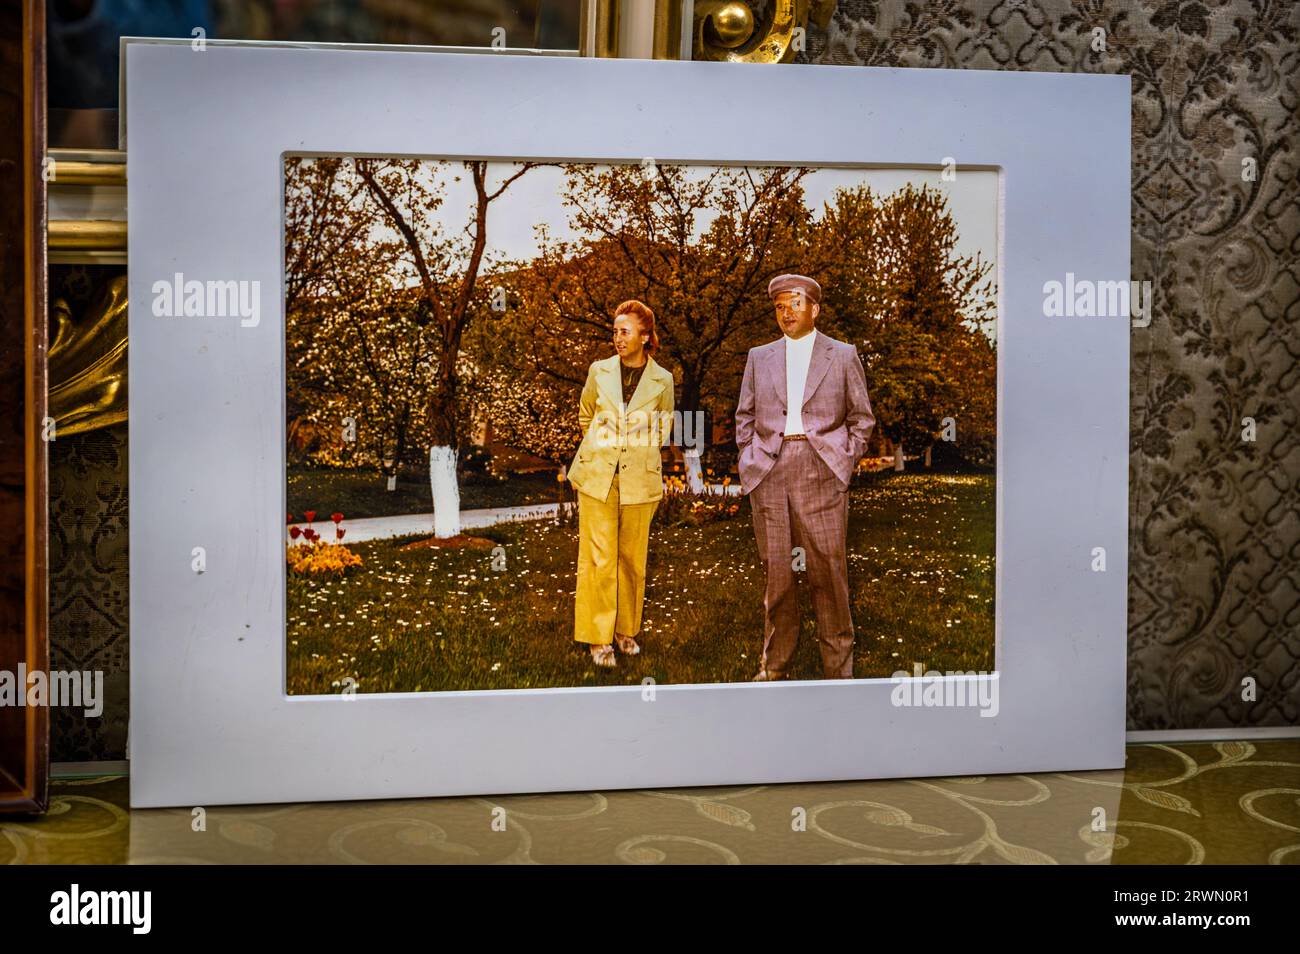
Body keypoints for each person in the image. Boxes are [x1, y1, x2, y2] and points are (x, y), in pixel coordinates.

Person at [734, 274, 875, 680]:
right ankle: (775, 663)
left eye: (795, 303)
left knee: (828, 572)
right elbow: (744, 416)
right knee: (778, 573)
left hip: (821, 469)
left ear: (814, 308)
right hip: (770, 471)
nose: (787, 312)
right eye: (779, 306)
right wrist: (750, 457)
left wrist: (843, 460)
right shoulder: (759, 357)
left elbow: (861, 419)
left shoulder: (842, 355)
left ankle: (838, 667)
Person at [567, 300, 675, 667]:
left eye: (625, 331)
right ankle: (599, 639)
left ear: (645, 336)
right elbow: (586, 414)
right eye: (615, 331)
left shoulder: (663, 380)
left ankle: (625, 631)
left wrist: (635, 454)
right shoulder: (599, 371)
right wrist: (603, 450)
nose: (617, 337)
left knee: (632, 560)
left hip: (639, 483)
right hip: (598, 478)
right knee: (599, 558)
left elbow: (663, 426)